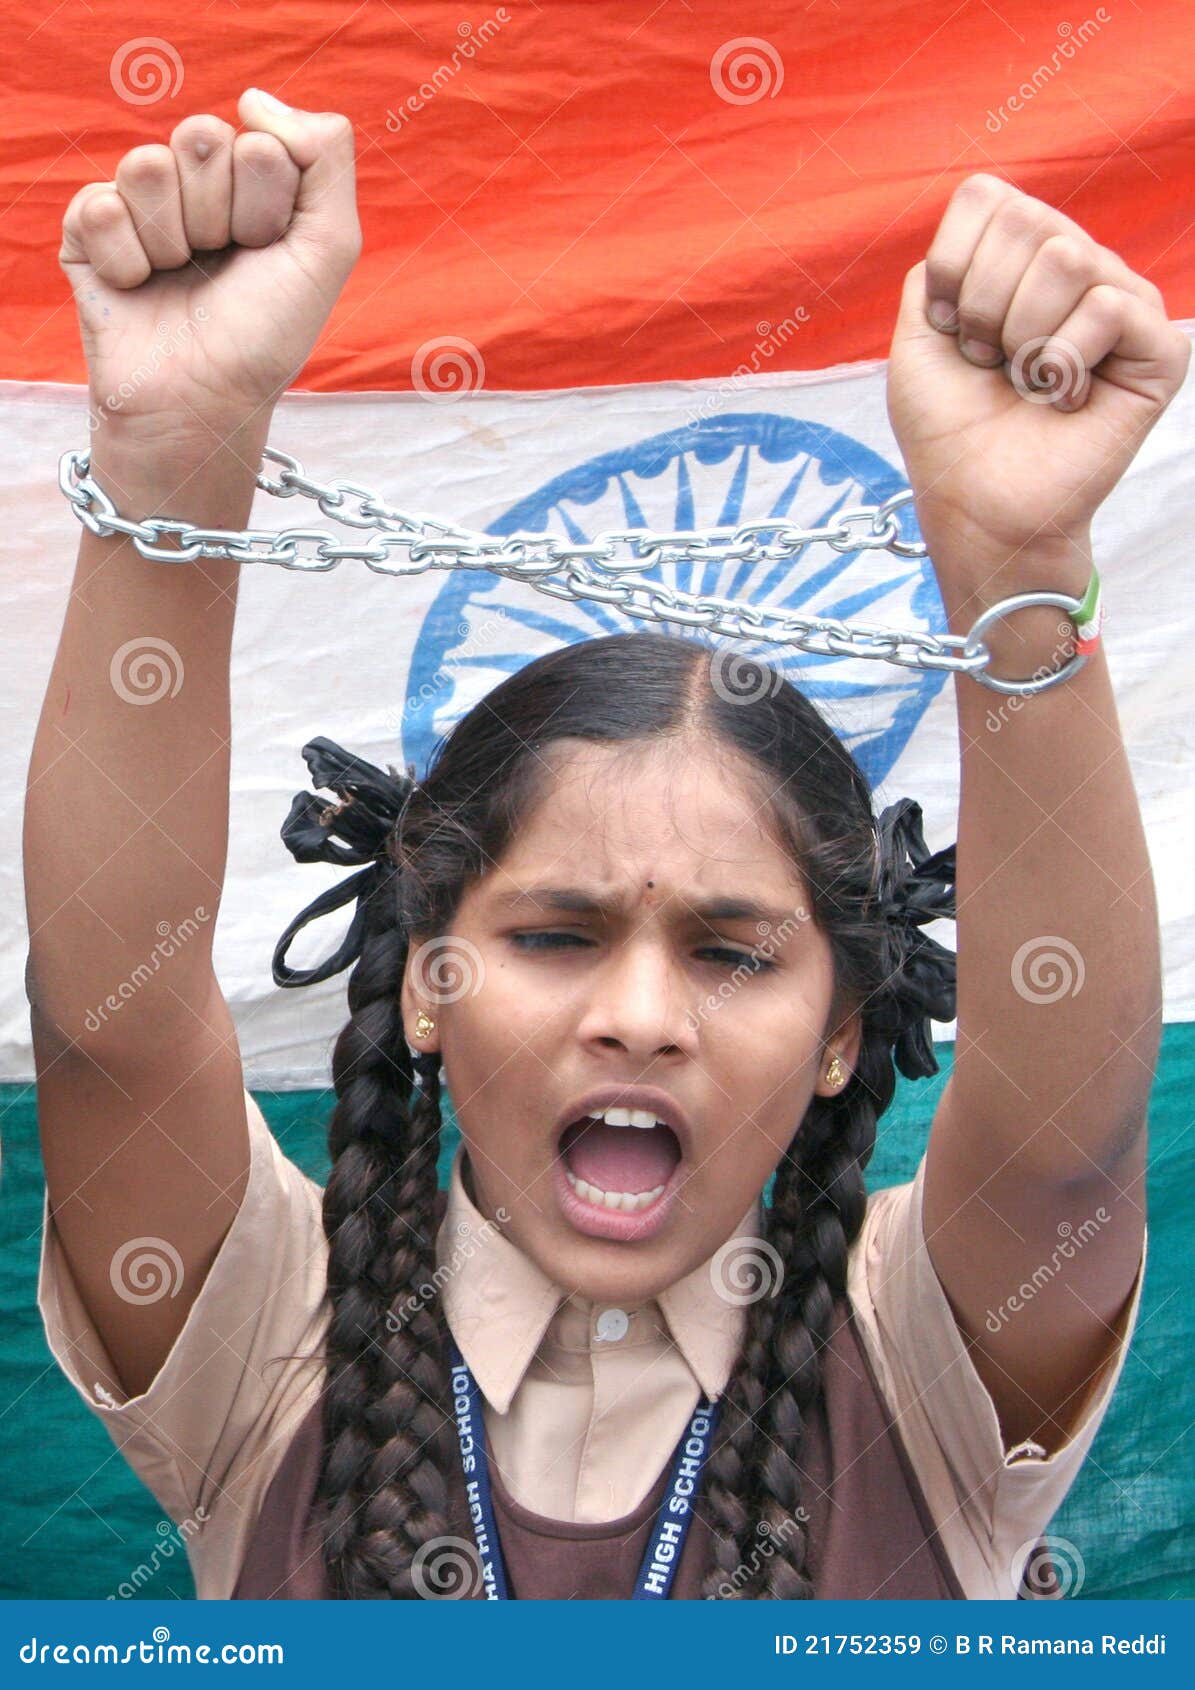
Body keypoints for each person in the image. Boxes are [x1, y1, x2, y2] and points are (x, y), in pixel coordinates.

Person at [24, 87, 1184, 1602]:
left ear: (845, 1032)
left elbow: (1062, 1149)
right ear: (427, 980)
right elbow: (110, 1027)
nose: (639, 1013)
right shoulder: (275, 1330)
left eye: (731, 951)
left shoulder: (924, 1351)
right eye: (555, 934)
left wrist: (1022, 562)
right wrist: (173, 452)